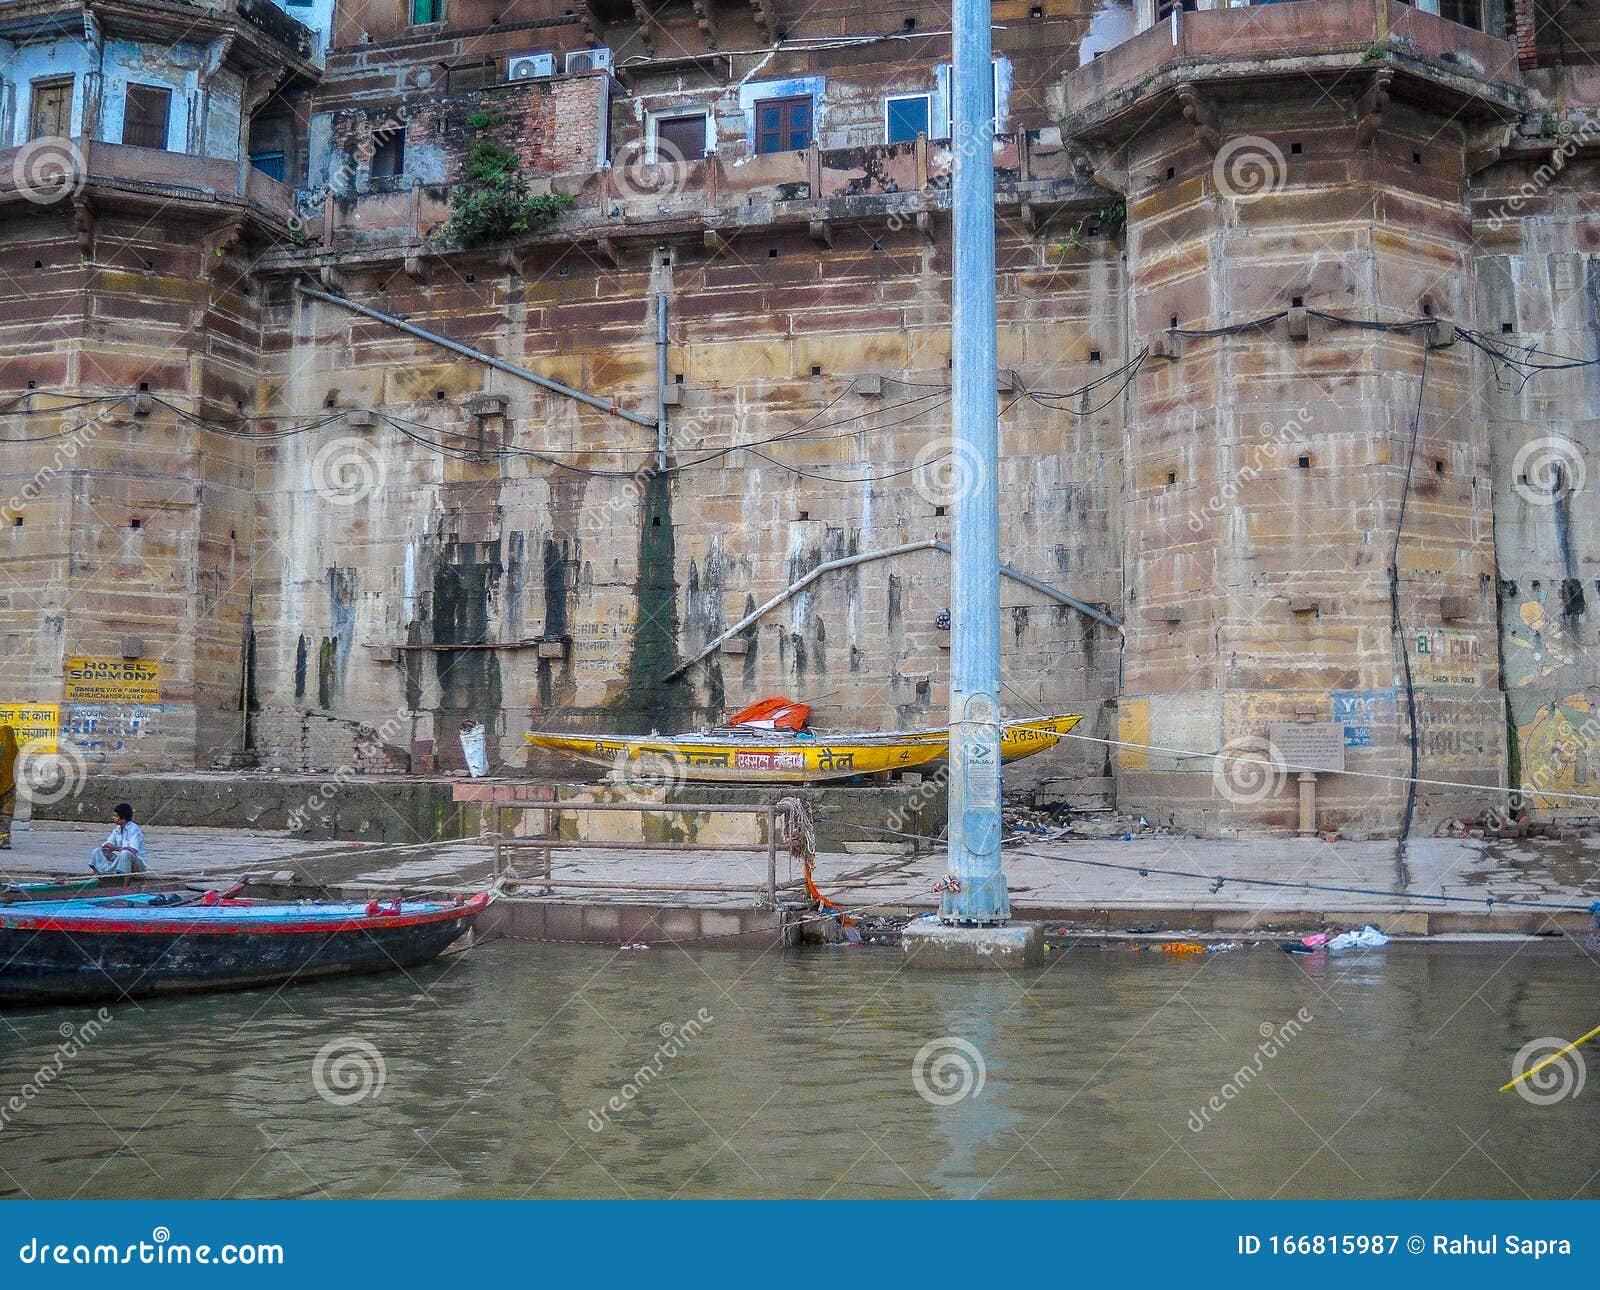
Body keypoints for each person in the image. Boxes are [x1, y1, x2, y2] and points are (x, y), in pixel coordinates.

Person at [91, 803, 148, 874]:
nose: (113, 818)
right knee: (97, 851)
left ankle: (125, 883)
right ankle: (98, 875)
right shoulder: (117, 830)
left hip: (137, 864)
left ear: (123, 817)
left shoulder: (134, 829)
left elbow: (133, 850)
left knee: (125, 853)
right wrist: (106, 848)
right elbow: (108, 843)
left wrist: (116, 848)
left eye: (116, 816)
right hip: (122, 859)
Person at [0, 725, 15, 851]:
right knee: (6, 814)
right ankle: (5, 840)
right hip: (11, 786)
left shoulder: (1, 748)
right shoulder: (16, 749)